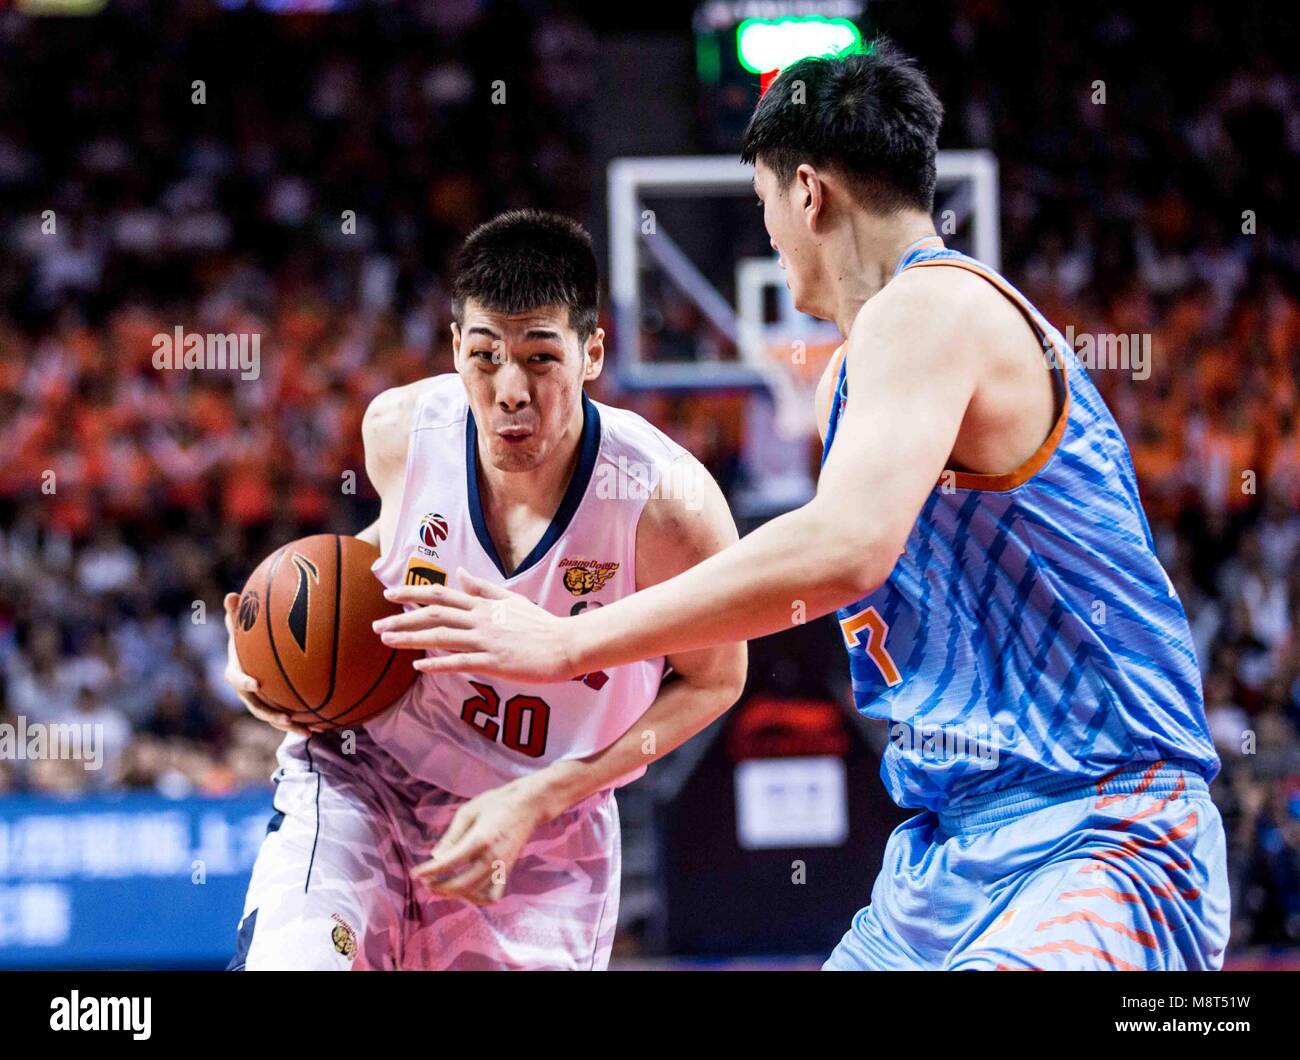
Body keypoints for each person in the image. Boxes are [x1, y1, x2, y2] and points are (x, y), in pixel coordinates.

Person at [378, 45, 1231, 971]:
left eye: (765, 204)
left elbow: (843, 549)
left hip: (1101, 827)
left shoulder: (929, 307)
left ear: (810, 194)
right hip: (953, 850)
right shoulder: (862, 373)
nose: (772, 234)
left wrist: (572, 642)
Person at [223, 210, 745, 970]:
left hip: (547, 821)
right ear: (454, 350)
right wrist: (274, 647)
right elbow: (385, 555)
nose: (509, 390)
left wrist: (550, 794)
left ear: (592, 352)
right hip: (371, 770)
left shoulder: (667, 508)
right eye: (484, 355)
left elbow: (717, 680)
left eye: (540, 358)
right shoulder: (401, 430)